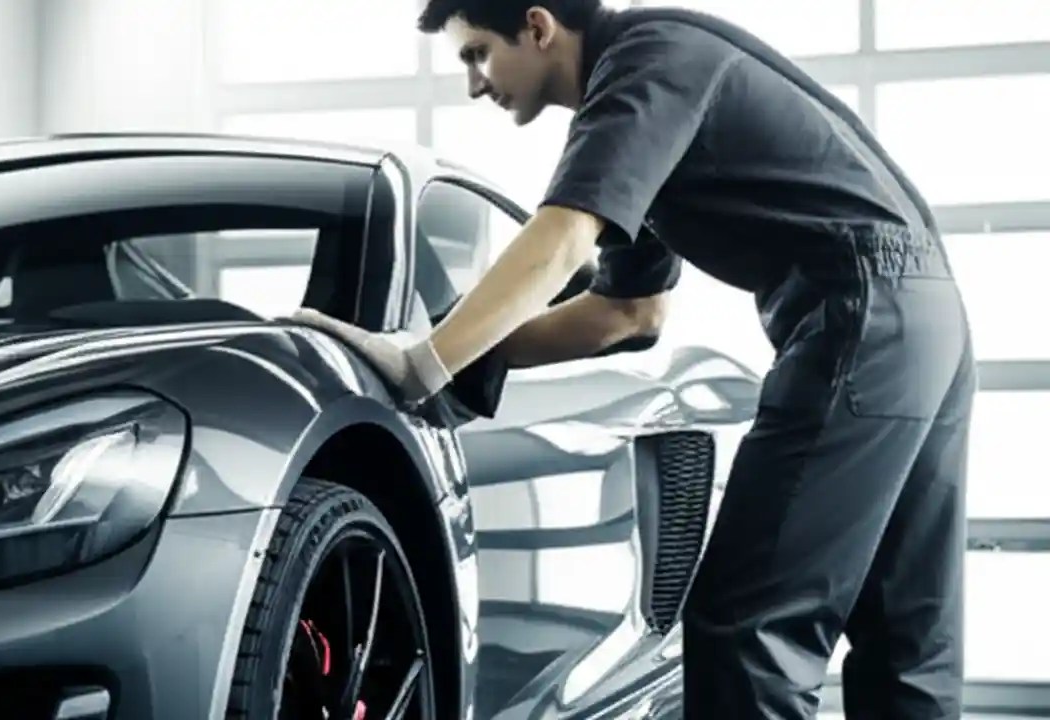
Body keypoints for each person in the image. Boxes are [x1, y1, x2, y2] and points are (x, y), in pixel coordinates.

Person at [290, 1, 975, 717]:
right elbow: (628, 314)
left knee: (748, 628)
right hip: (923, 319)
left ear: (538, 26)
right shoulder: (651, 91)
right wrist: (463, 355)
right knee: (906, 638)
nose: (474, 84)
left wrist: (422, 362)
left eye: (477, 54)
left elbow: (562, 243)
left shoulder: (644, 65)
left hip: (863, 315)